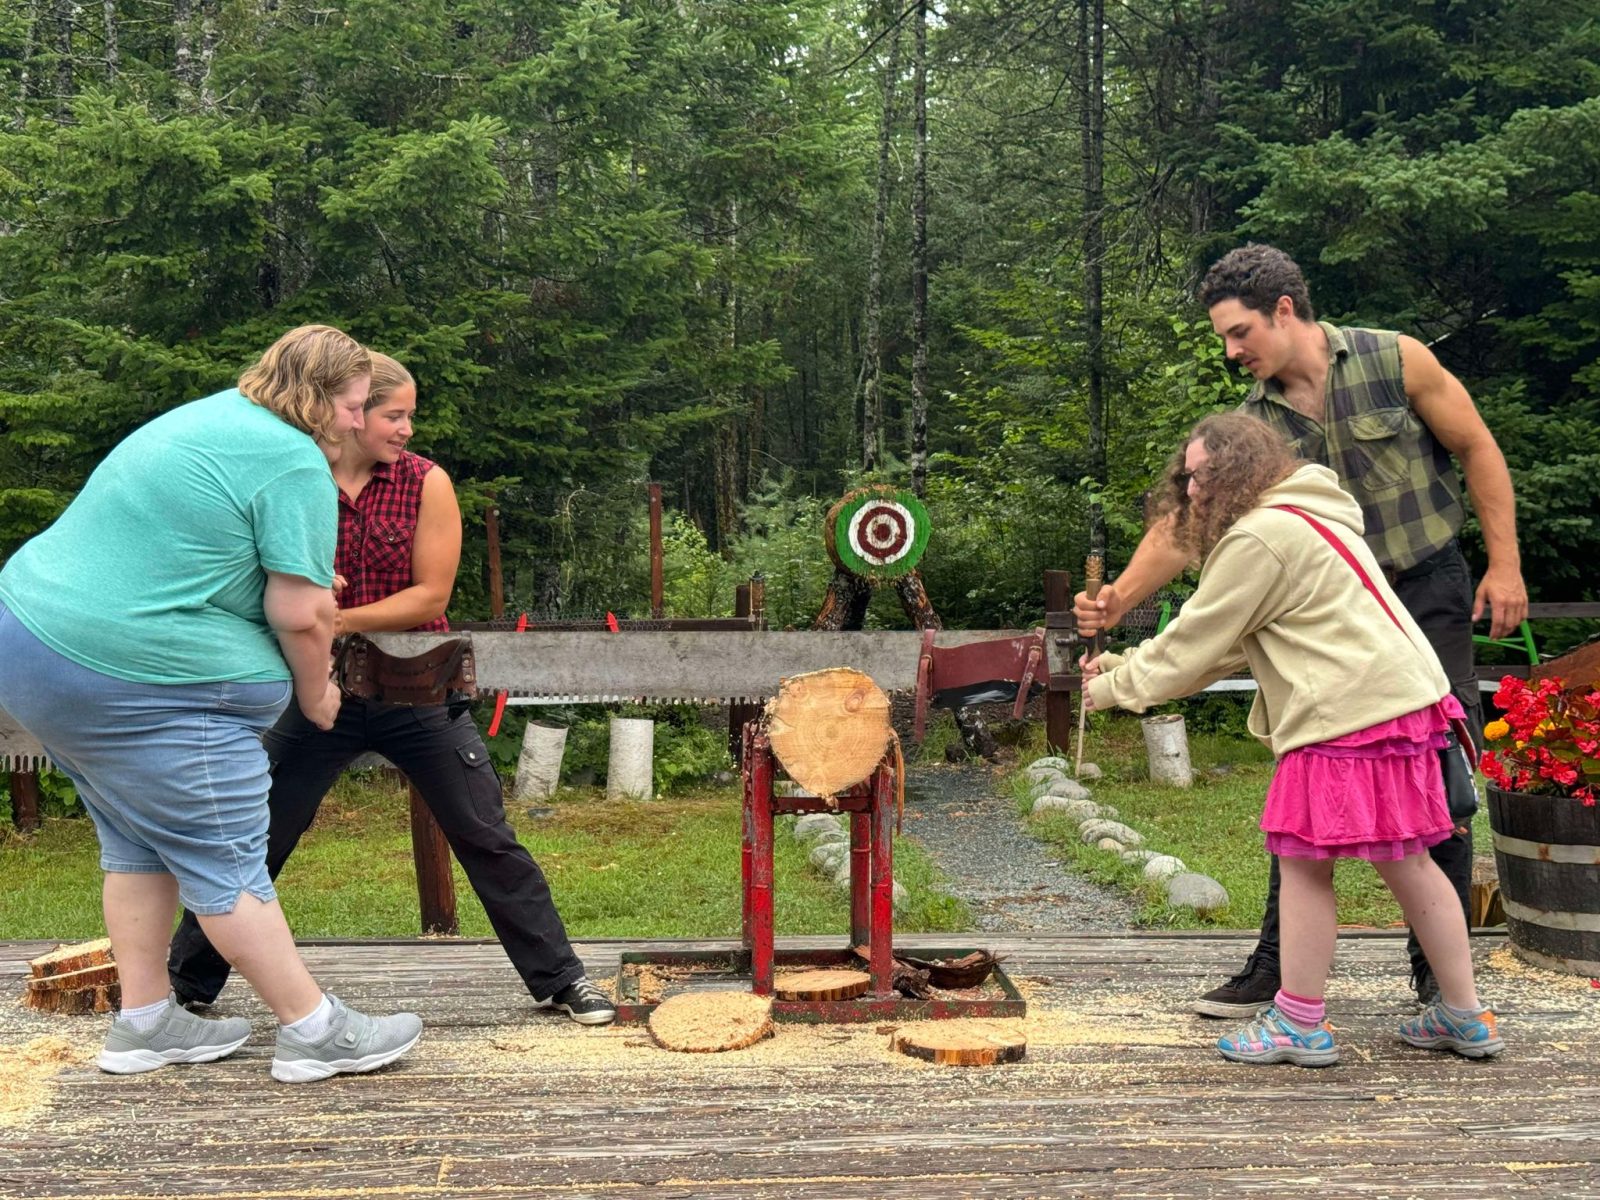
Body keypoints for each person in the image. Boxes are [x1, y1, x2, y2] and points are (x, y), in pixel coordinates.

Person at [1076, 243, 1527, 1016]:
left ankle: (1440, 983)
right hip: (1318, 613)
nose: (1232, 351)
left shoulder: (1397, 360)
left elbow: (1476, 445)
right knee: (1307, 784)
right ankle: (1276, 970)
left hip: (1422, 586)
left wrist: (1506, 563)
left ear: (1284, 310)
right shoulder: (1252, 427)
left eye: (1239, 331)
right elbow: (1186, 522)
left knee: (1442, 782)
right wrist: (1118, 597)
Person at [0, 326, 423, 1082]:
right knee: (225, 859)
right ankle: (315, 1031)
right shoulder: (292, 458)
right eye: (355, 405)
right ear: (316, 397)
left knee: (138, 842)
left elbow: (187, 557)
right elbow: (300, 613)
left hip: (32, 645)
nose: (360, 421)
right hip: (142, 679)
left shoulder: (212, 419)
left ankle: (145, 1021)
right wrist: (317, 692)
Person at [167, 353, 617, 1025]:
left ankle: (562, 979)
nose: (407, 429)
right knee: (255, 835)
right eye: (393, 415)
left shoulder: (426, 482)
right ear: (351, 414)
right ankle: (183, 988)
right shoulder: (295, 474)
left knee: (485, 835)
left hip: (416, 689)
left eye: (410, 415)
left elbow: (430, 596)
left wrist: (332, 617)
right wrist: (299, 606)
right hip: (314, 692)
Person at [1083, 412, 1504, 1065]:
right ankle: (1464, 1013)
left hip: (1343, 717)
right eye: (1186, 476)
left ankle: (1299, 1024)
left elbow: (1197, 640)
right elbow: (1234, 642)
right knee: (1413, 864)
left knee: (1305, 867)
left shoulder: (1260, 537)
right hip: (1404, 710)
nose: (1190, 490)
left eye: (1201, 475)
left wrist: (1113, 688)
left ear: (1238, 471)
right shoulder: (1313, 517)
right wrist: (1125, 668)